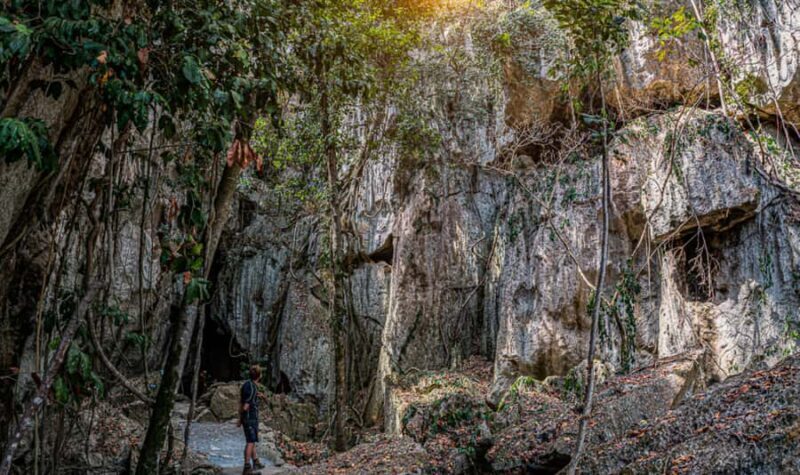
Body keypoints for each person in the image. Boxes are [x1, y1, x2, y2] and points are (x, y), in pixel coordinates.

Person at [238, 365, 266, 474]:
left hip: (247, 418)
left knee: (252, 440)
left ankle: (255, 461)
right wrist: (242, 416)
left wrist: (240, 418)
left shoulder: (247, 384)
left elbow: (242, 400)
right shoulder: (253, 388)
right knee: (250, 442)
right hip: (250, 418)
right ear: (259, 376)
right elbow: (246, 406)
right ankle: (247, 467)